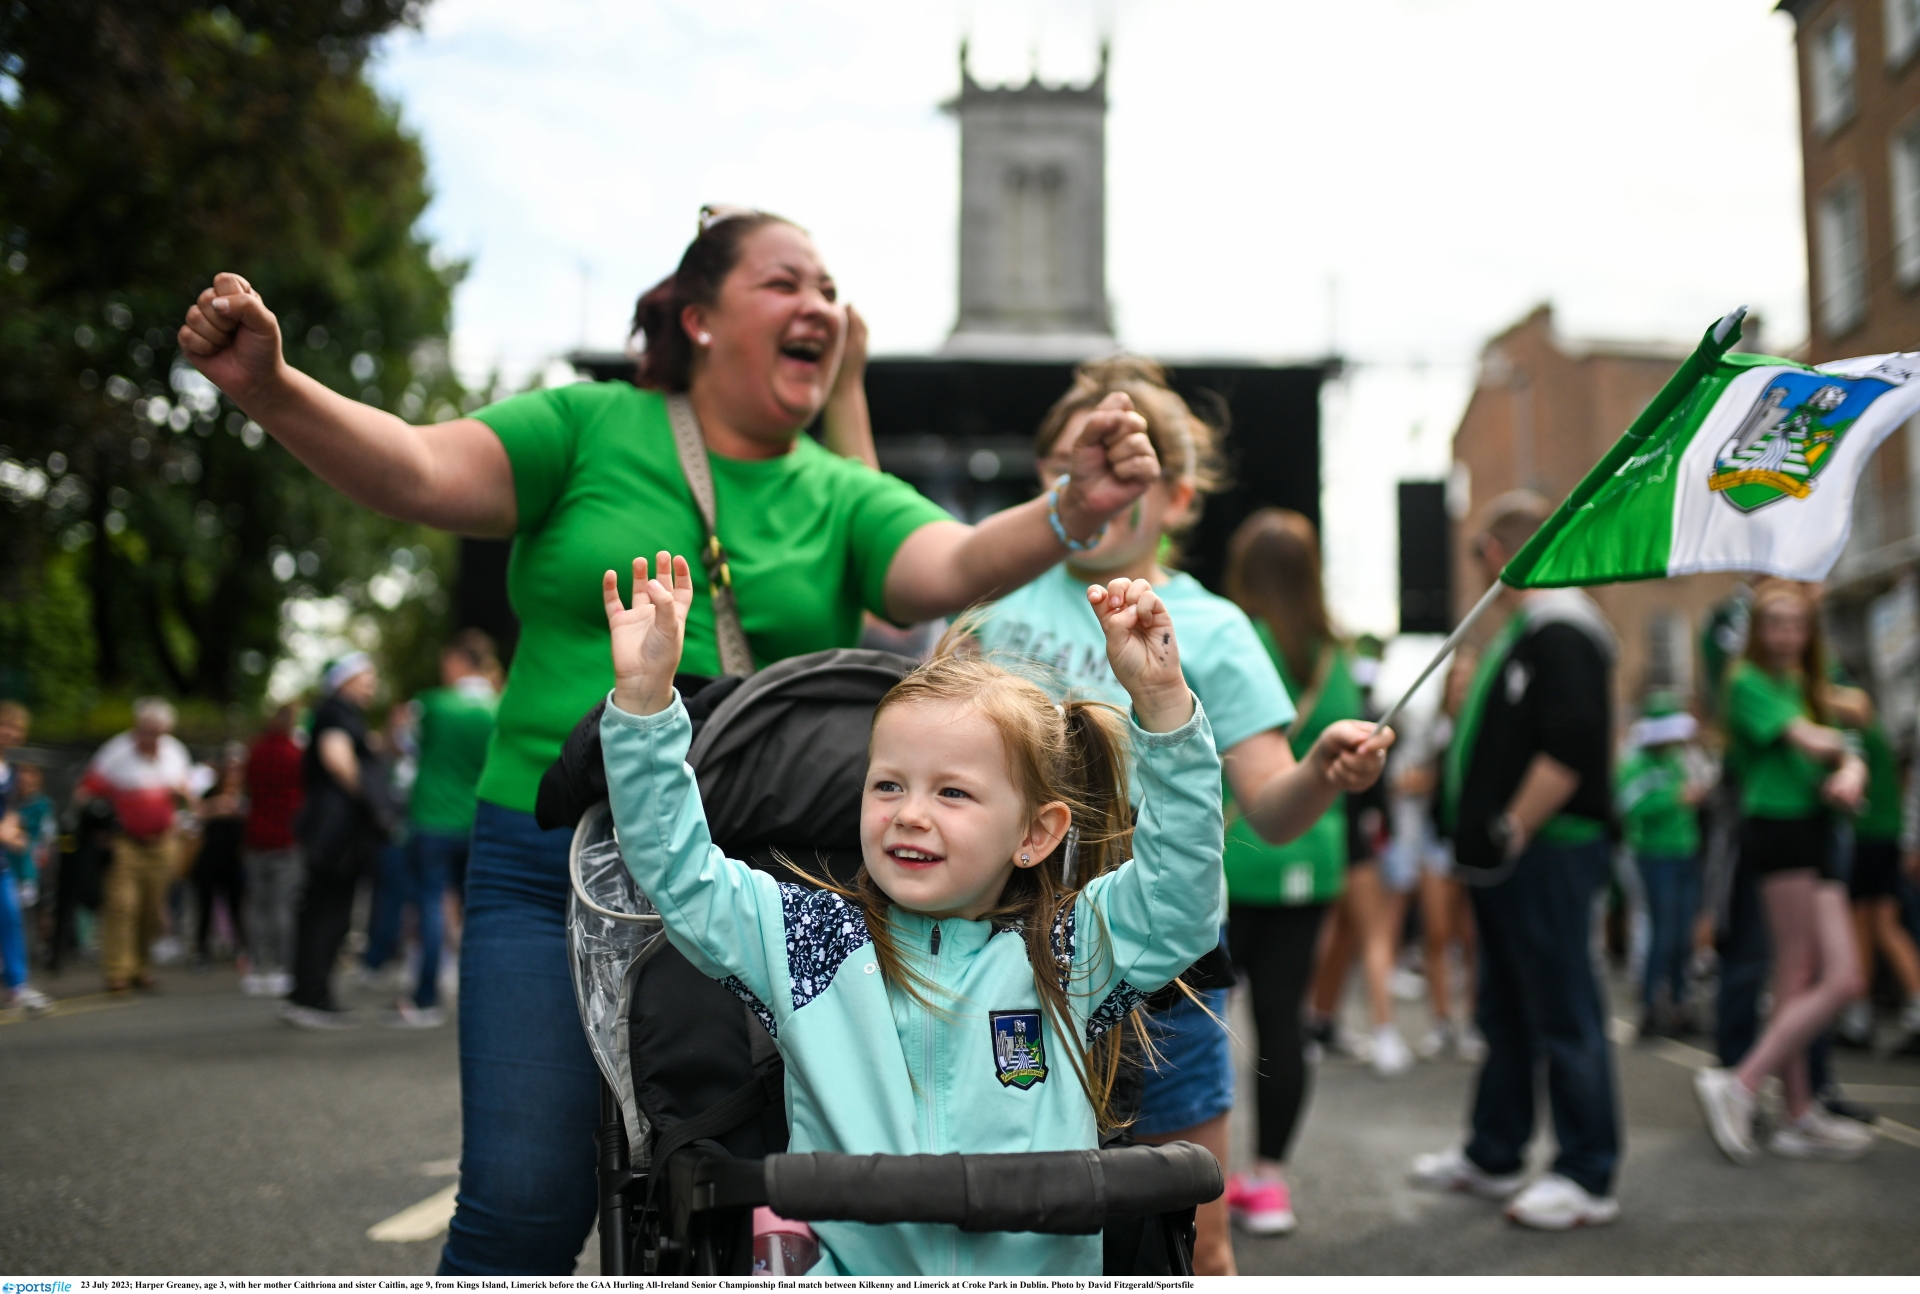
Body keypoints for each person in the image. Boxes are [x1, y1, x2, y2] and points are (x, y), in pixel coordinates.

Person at [177, 208, 1165, 1274]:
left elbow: (953, 562)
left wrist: (1072, 506)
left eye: (830, 291)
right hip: (551, 858)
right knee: (526, 1202)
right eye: (785, 283)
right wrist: (269, 387)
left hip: (770, 871)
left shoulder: (839, 490)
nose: (819, 308)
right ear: (696, 317)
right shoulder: (588, 425)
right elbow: (415, 470)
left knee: (737, 1203)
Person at [600, 551, 1392, 1273]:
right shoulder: (808, 940)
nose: (910, 814)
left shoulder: (1070, 951)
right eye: (889, 786)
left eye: (952, 792)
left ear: (1037, 833)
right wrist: (644, 709)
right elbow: (679, 872)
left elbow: (1180, 898)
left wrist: (1162, 707)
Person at [969, 367, 1390, 1262]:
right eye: (1074, 465)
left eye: (1132, 467)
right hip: (1002, 960)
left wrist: (1318, 769)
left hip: (1163, 977)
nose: (1098, 487)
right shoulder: (992, 605)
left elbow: (1273, 812)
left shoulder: (1219, 629)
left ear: (1181, 494)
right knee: (1011, 1230)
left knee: (1195, 1241)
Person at [1409, 491, 1623, 1230]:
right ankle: (1496, 1152)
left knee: (1565, 1012)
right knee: (1505, 1012)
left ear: (1502, 552)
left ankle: (1586, 1171)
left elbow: (1569, 747)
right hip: (1515, 861)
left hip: (1547, 856)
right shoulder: (1530, 630)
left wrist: (1509, 828)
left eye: (1481, 555)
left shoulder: (1561, 631)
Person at [1214, 509, 1379, 1233]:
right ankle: (1272, 1180)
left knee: (1197, 1022)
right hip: (1312, 855)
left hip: (1235, 854)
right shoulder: (1337, 655)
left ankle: (1196, 1170)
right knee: (1284, 1022)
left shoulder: (1233, 641)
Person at [1694, 580, 1876, 1163]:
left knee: (1808, 977)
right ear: (1757, 629)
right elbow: (1813, 737)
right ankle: (1743, 1082)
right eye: (1774, 622)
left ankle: (1798, 1112)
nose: (1785, 633)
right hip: (1779, 831)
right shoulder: (1745, 681)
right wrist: (1844, 754)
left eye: (1795, 622)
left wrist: (1851, 769)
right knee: (1827, 977)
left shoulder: (1806, 682)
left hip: (1816, 828)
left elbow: (1848, 739)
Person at [365, 629, 500, 1027]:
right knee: (479, 907)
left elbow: (403, 748)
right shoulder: (497, 708)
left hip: (431, 817)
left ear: (458, 662)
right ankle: (484, 994)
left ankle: (426, 997)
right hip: (478, 817)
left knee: (429, 902)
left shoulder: (433, 704)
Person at [1385, 654, 1483, 1063]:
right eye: (1455, 678)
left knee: (1473, 937)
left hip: (1475, 844)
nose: (1461, 686)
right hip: (1435, 842)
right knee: (1437, 934)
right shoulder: (1432, 731)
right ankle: (1442, 1023)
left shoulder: (1486, 724)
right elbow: (1403, 778)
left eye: (1468, 678)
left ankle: (1475, 1021)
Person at [284, 654, 388, 1028]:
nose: (371, 685)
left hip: (338, 832)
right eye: (365, 678)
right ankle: (310, 996)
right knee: (326, 913)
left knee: (329, 912)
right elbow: (338, 761)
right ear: (345, 681)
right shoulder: (336, 714)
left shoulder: (340, 713)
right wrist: (374, 801)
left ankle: (313, 994)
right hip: (336, 834)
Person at [76, 698, 198, 994]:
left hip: (163, 841)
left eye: (158, 731)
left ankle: (141, 965)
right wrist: (102, 827)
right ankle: (117, 970)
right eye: (147, 730)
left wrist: (183, 803)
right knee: (122, 905)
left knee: (152, 907)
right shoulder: (116, 753)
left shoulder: (174, 752)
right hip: (125, 842)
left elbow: (188, 794)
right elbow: (84, 793)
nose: (151, 738)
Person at [1616, 692, 1709, 1038]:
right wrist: (1675, 799)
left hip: (1685, 852)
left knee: (1683, 935)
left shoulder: (1674, 759)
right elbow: (1629, 806)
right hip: (1654, 856)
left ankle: (1681, 1005)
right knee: (1663, 933)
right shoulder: (1635, 764)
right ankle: (1652, 1006)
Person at [1839, 712, 1920, 1052]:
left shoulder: (1854, 731)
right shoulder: (1877, 730)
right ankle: (1869, 1014)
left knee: (1866, 927)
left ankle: (1859, 1017)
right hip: (1886, 835)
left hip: (1867, 835)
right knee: (1882, 927)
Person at [242, 704, 306, 997]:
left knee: (257, 905)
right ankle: (282, 966)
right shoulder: (295, 755)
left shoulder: (256, 752)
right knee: (283, 906)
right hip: (286, 838)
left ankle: (257, 965)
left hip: (256, 837)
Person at [0, 704, 55, 1016]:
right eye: (5, 726)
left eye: (16, 729)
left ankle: (17, 986)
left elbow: (6, 810)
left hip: (2, 861)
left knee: (10, 916)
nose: (10, 734)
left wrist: (12, 826)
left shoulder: (9, 769)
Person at [192, 742, 248, 969]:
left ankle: (240, 948)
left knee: (237, 906)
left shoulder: (246, 794)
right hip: (210, 856)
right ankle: (201, 949)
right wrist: (215, 808)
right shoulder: (210, 794)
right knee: (204, 906)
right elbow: (195, 815)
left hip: (235, 858)